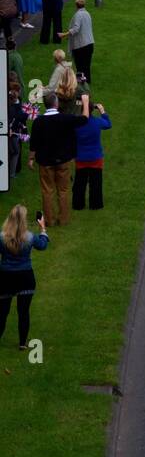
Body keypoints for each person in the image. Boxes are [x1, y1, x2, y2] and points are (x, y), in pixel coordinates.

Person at [28, 88, 90, 227]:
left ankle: (49, 220)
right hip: (63, 159)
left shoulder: (39, 121)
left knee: (47, 190)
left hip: (45, 161)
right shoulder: (65, 119)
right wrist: (85, 103)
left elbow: (34, 143)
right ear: (56, 104)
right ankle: (63, 220)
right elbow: (84, 119)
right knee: (63, 190)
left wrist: (31, 159)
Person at [0, 204, 49, 350]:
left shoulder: (2, 237)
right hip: (25, 277)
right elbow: (43, 245)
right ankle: (22, 343)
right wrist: (43, 229)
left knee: (2, 312)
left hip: (5, 277)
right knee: (23, 312)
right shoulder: (30, 237)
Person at [73, 100, 111, 211]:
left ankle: (78, 204)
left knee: (80, 183)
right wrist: (102, 111)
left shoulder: (77, 124)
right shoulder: (97, 122)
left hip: (81, 157)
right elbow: (108, 124)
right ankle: (96, 204)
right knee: (96, 182)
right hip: (95, 157)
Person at [59, 0, 95, 85]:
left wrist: (64, 34)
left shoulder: (78, 15)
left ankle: (81, 85)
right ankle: (87, 82)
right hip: (90, 43)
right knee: (86, 65)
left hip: (81, 45)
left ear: (76, 5)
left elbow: (76, 28)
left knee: (80, 66)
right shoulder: (87, 14)